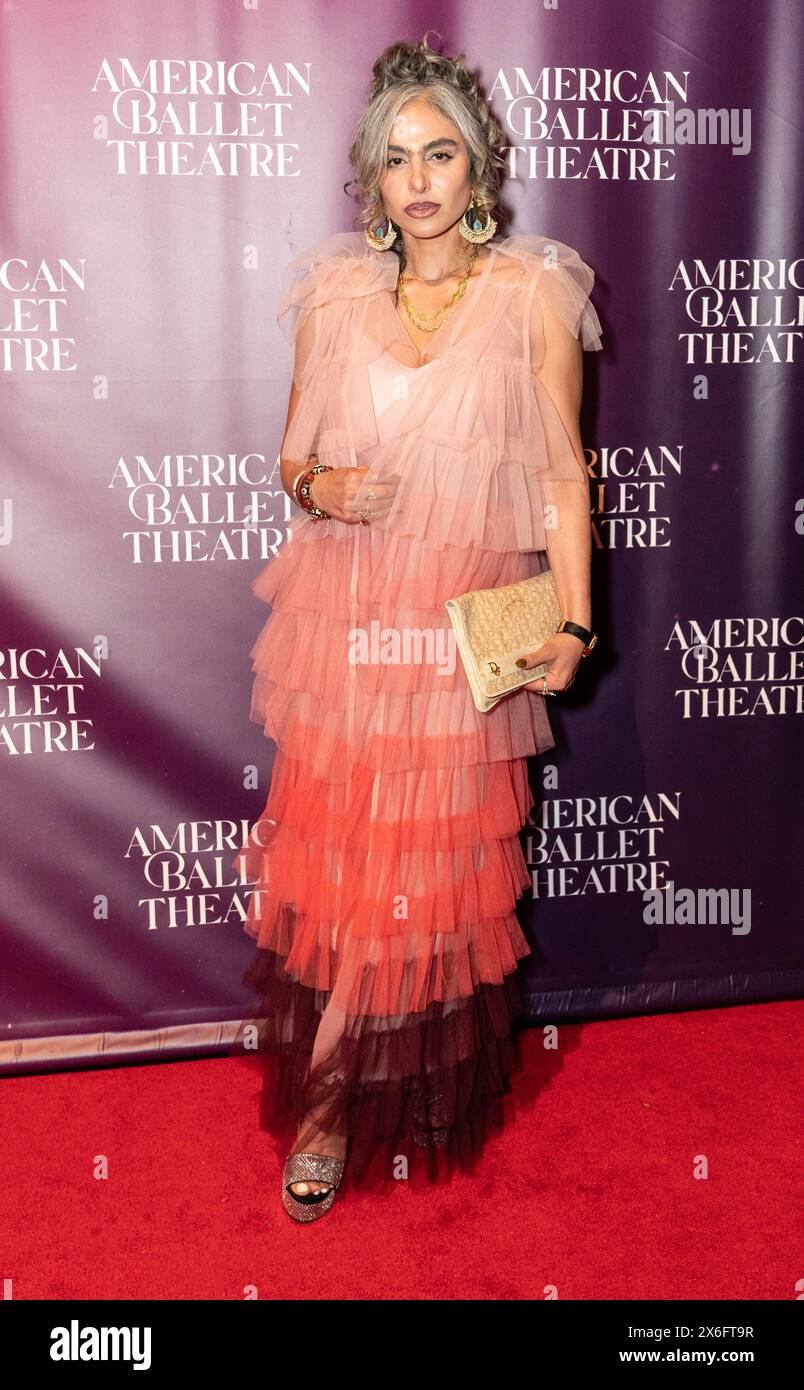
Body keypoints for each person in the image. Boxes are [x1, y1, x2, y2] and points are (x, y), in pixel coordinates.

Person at [229, 34, 603, 1222]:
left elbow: (561, 479)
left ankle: (414, 1072)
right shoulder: (336, 292)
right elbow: (292, 458)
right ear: (372, 182)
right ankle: (334, 1099)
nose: (423, 179)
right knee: (344, 869)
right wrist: (324, 488)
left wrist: (579, 623)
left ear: (480, 163)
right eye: (398, 161)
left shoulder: (535, 293)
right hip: (346, 625)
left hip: (456, 633)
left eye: (442, 152)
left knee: (436, 869)